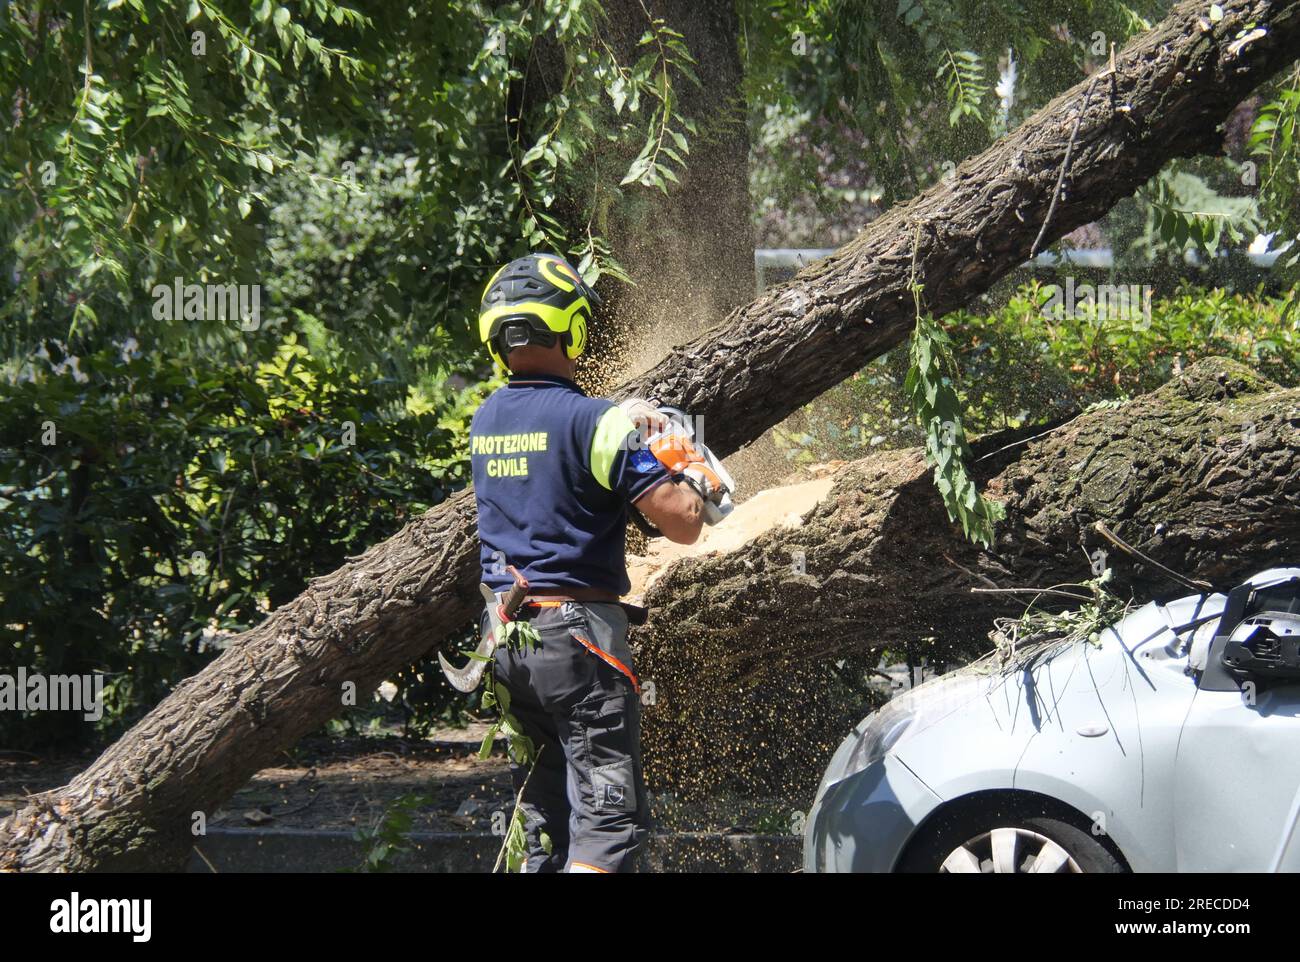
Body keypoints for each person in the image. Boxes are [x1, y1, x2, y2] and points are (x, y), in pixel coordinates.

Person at [469, 252, 716, 872]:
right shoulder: (597, 422)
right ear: (571, 327)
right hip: (577, 640)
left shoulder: (487, 419)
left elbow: (555, 458)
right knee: (608, 818)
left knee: (544, 819)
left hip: (507, 639)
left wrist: (618, 420)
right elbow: (682, 523)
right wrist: (682, 464)